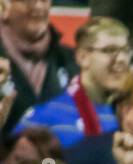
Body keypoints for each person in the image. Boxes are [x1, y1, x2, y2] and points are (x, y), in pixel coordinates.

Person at [13, 17, 130, 148]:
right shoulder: (44, 118)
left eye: (125, 51)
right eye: (109, 51)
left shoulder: (131, 116)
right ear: (82, 57)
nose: (121, 59)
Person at [0, 0, 79, 135]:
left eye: (44, 0)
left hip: (59, 155)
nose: (38, 6)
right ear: (4, 6)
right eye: (28, 1)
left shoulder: (72, 59)